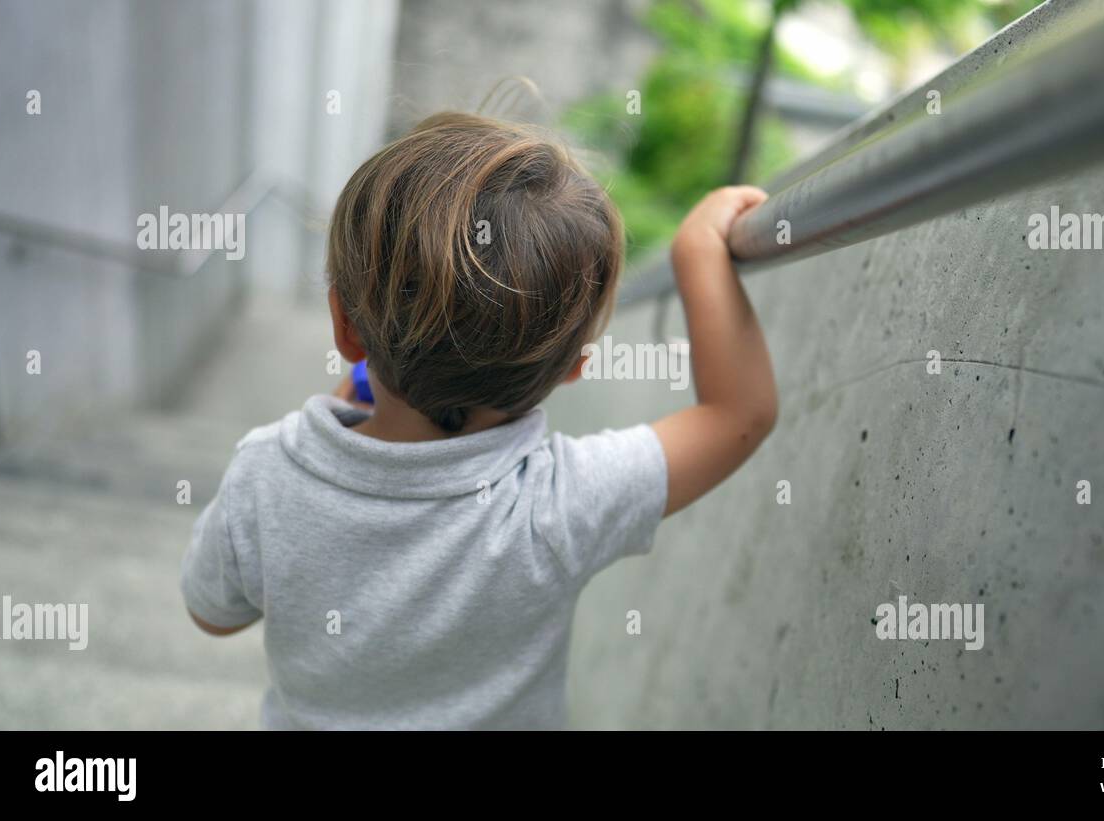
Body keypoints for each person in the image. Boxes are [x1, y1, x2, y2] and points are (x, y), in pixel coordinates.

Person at [180, 111, 777, 729]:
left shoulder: (267, 472)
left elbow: (212, 614)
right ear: (573, 366)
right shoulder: (559, 503)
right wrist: (698, 251)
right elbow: (740, 413)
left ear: (345, 327)